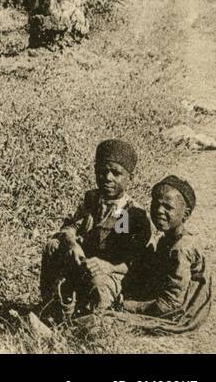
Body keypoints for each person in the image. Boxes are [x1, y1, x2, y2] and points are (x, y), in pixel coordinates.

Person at [37, 138, 151, 322]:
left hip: (111, 272)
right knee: (53, 246)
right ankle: (50, 308)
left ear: (130, 177)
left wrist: (108, 266)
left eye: (116, 173)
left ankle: (91, 324)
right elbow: (70, 226)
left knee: (98, 285)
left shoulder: (129, 213)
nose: (107, 178)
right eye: (102, 171)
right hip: (84, 262)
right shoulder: (91, 200)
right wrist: (73, 244)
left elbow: (133, 260)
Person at [119, 176, 212, 331]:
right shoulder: (167, 238)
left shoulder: (181, 248)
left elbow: (170, 305)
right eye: (156, 204)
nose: (159, 210)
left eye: (168, 207)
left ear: (186, 214)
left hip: (178, 313)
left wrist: (132, 306)